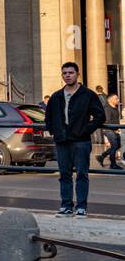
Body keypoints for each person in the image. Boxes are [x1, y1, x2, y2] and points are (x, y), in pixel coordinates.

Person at [45, 61, 106, 217]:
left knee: (81, 174)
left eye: (71, 73)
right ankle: (66, 206)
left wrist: (84, 130)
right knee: (64, 175)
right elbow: (49, 117)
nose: (67, 76)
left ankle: (81, 207)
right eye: (65, 73)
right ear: (62, 75)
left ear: (78, 74)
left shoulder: (88, 94)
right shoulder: (56, 96)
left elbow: (100, 116)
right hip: (62, 141)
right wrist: (55, 131)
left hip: (81, 141)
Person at [98, 92, 122, 170]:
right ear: (110, 100)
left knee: (118, 146)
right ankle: (113, 164)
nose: (118, 100)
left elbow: (115, 120)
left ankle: (102, 156)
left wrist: (117, 128)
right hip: (109, 130)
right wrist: (114, 129)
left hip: (114, 129)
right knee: (114, 146)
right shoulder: (107, 109)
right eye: (116, 99)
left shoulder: (114, 108)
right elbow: (107, 121)